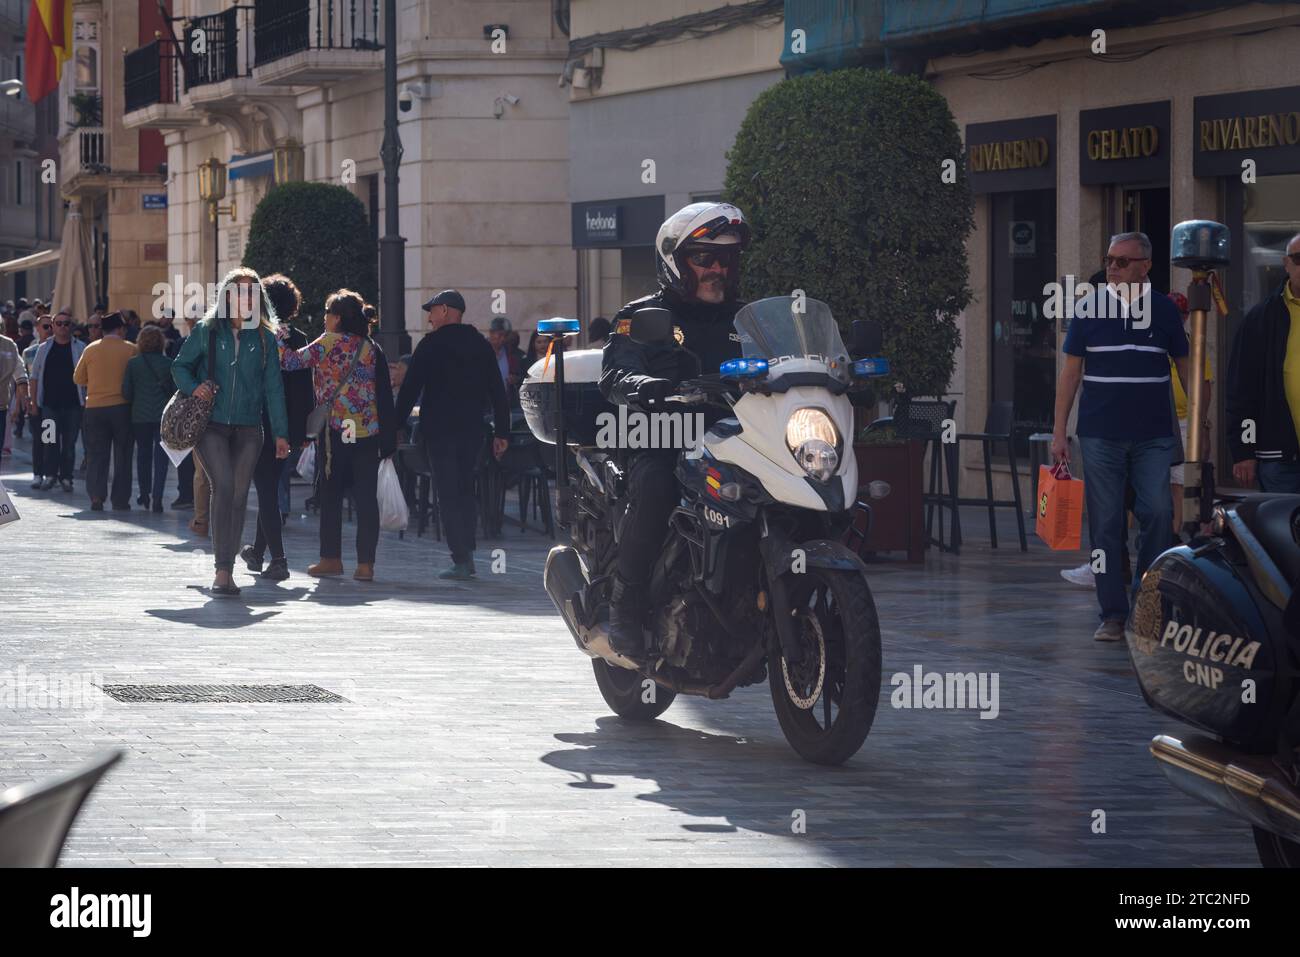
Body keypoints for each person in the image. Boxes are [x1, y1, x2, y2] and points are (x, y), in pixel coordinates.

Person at [599, 201, 751, 654]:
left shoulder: (748, 318)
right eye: (704, 258)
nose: (716, 268)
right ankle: (625, 603)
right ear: (676, 261)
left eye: (726, 258)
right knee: (656, 483)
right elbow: (616, 372)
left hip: (738, 440)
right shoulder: (641, 314)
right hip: (663, 434)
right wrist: (641, 383)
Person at [1051, 232, 1189, 641]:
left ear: (1145, 266)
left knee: (1160, 516)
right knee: (1106, 525)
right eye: (1109, 260)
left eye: (1122, 261)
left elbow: (1188, 369)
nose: (1112, 267)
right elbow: (1071, 373)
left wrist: (1201, 427)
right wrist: (1059, 431)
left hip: (1153, 435)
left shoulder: (1163, 309)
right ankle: (1112, 613)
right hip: (1099, 435)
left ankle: (1147, 608)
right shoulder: (1089, 307)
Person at [172, 268, 290, 597]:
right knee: (222, 486)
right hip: (212, 424)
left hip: (250, 428)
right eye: (239, 293)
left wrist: (281, 433)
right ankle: (222, 570)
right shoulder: (207, 331)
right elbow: (179, 366)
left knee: (239, 495)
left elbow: (274, 389)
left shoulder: (266, 339)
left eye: (252, 293)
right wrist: (195, 388)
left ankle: (229, 570)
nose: (246, 299)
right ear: (226, 297)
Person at [279, 288, 396, 582]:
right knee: (366, 498)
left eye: (328, 313)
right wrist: (388, 437)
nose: (324, 319)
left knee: (330, 494)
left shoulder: (329, 342)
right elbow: (384, 394)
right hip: (367, 431)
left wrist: (278, 338)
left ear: (338, 318)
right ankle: (366, 565)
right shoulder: (371, 347)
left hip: (336, 430)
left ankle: (331, 558)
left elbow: (291, 362)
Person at [395, 289, 509, 580]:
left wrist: (393, 425)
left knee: (447, 492)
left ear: (446, 311)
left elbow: (409, 391)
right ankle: (466, 553)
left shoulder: (430, 345)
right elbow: (498, 390)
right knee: (465, 489)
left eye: (432, 311)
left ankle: (461, 558)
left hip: (439, 431)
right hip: (472, 430)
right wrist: (502, 431)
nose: (430, 318)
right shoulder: (480, 345)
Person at [240, 274, 313, 580]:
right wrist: (302, 432)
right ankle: (257, 552)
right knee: (269, 486)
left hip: (258, 422)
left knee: (267, 490)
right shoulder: (298, 338)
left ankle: (279, 559)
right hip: (288, 427)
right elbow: (305, 387)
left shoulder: (253, 334)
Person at [1226, 231, 1300, 492]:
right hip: (1280, 459)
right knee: (1284, 532)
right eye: (1299, 258)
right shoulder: (1261, 319)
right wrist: (1245, 450)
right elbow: (1242, 390)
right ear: (1286, 264)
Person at [74, 311, 138, 511]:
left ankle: (96, 496)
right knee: (123, 455)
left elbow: (77, 378)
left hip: (94, 407)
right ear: (121, 329)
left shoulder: (91, 349)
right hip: (122, 408)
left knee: (96, 454)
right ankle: (120, 500)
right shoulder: (131, 349)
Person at [1166, 291, 1213, 533]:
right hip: (1161, 420)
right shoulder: (1155, 340)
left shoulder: (1193, 346)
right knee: (1172, 480)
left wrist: (1203, 425)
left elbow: (1205, 387)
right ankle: (1176, 528)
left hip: (1186, 421)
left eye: (1181, 313)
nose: (1177, 318)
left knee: (1185, 477)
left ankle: (1183, 527)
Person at [27, 309, 86, 492]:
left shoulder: (80, 348)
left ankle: (66, 477)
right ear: (52, 326)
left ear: (71, 326)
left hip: (73, 407)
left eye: (66, 323)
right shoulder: (44, 348)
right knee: (49, 442)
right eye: (58, 323)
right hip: (49, 406)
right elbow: (34, 377)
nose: (62, 327)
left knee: (69, 445)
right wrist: (34, 403)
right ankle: (50, 475)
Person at [121, 324, 174, 512]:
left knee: (143, 456)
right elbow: (175, 392)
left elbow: (126, 392)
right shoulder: (169, 364)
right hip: (163, 417)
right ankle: (158, 497)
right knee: (161, 459)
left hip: (140, 416)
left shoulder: (133, 364)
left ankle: (144, 494)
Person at [21, 314, 52, 485]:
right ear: (38, 329)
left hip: (51, 404)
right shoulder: (29, 353)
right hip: (35, 404)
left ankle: (50, 473)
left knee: (51, 439)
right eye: (45, 326)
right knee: (37, 440)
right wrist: (24, 402)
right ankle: (38, 473)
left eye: (51, 326)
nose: (49, 330)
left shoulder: (57, 349)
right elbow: (23, 380)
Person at [0, 327, 31, 463]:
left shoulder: (9, 345)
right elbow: (21, 373)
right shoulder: (9, 344)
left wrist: (26, 398)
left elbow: (20, 373)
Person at [488, 316, 525, 403]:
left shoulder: (513, 354)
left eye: (506, 335)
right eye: (500, 335)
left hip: (507, 402)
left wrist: (516, 379)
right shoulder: (480, 351)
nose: (503, 339)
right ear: (491, 333)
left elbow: (522, 377)